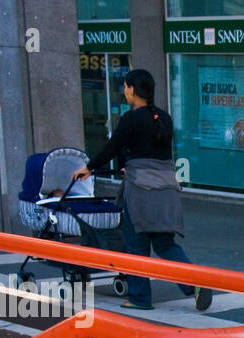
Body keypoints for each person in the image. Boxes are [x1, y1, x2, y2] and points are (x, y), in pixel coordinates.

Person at [71, 68, 211, 312]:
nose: (124, 91)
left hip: (140, 191)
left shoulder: (130, 119)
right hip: (166, 190)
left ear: (133, 89)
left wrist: (88, 168)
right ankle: (194, 284)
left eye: (125, 87)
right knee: (166, 244)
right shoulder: (164, 118)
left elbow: (110, 149)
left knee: (136, 246)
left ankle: (139, 297)